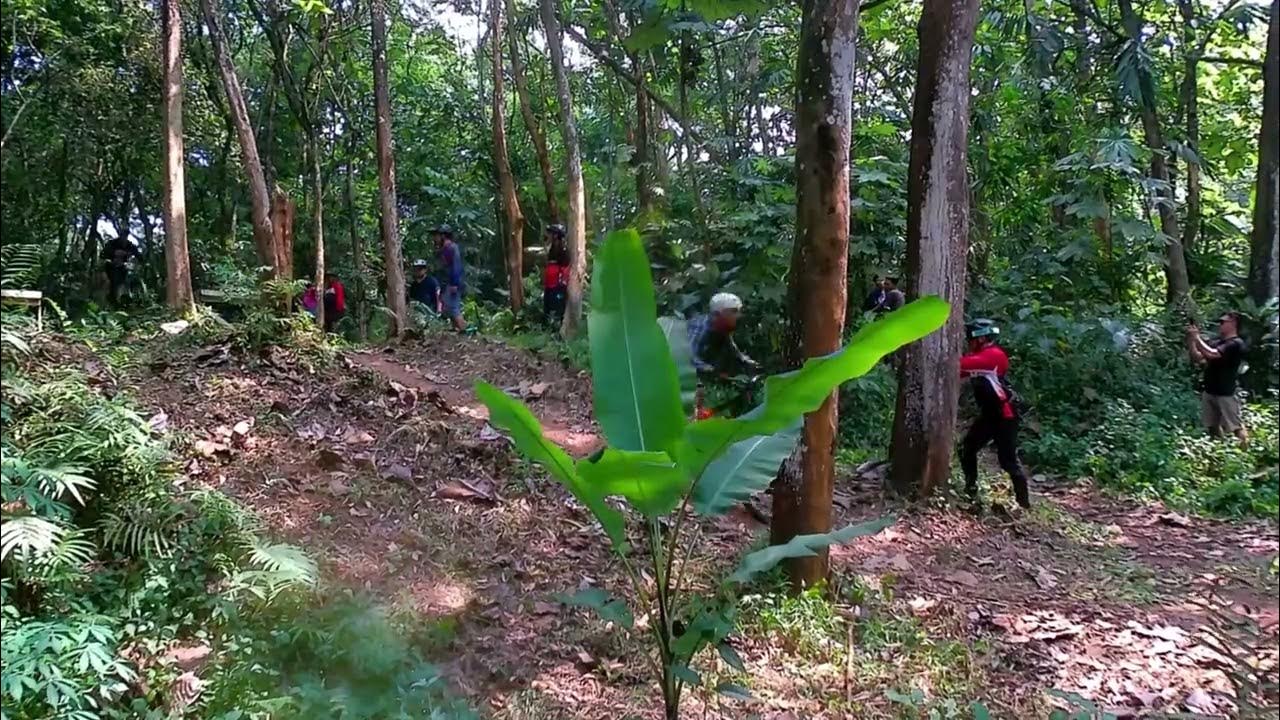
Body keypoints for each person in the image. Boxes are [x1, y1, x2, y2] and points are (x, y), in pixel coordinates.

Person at [959, 319, 1031, 510]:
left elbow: (958, 366)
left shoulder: (993, 356)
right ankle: (970, 491)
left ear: (981, 338)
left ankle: (1024, 504)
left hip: (1005, 416)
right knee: (967, 448)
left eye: (970, 338)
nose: (968, 342)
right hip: (990, 415)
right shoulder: (981, 356)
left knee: (1008, 461)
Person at [1187, 312, 1248, 442]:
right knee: (1212, 427)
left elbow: (1213, 354)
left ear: (1233, 323)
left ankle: (1245, 449)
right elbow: (1198, 357)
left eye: (1222, 322)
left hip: (1226, 392)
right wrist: (1191, 340)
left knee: (1236, 427)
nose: (1220, 325)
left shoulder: (1236, 343)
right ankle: (1218, 450)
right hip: (1210, 390)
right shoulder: (1218, 342)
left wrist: (1197, 338)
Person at [688, 292, 759, 378]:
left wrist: (746, 361)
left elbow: (732, 347)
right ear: (717, 314)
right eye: (734, 311)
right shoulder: (700, 328)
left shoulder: (721, 327)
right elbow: (688, 358)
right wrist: (713, 372)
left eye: (739, 311)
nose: (739, 316)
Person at [434, 225, 466, 332]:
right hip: (447, 282)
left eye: (437, 236)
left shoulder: (452, 248)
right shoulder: (444, 249)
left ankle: (464, 330)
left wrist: (454, 283)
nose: (435, 239)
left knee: (453, 308)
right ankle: (456, 329)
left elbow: (456, 266)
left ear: (443, 236)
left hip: (452, 283)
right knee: (448, 307)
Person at [543, 224, 569, 325]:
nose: (550, 236)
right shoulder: (552, 248)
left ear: (556, 235)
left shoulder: (563, 249)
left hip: (557, 285)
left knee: (558, 308)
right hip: (549, 284)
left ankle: (558, 327)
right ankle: (548, 326)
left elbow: (565, 268)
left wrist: (561, 282)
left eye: (552, 234)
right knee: (547, 307)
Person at [101, 235, 138, 306]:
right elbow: (104, 254)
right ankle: (113, 299)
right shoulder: (112, 243)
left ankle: (132, 296)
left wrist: (139, 258)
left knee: (132, 276)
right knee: (114, 279)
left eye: (126, 234)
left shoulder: (130, 244)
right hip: (112, 266)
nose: (124, 236)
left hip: (125, 266)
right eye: (123, 234)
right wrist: (114, 254)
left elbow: (137, 254)